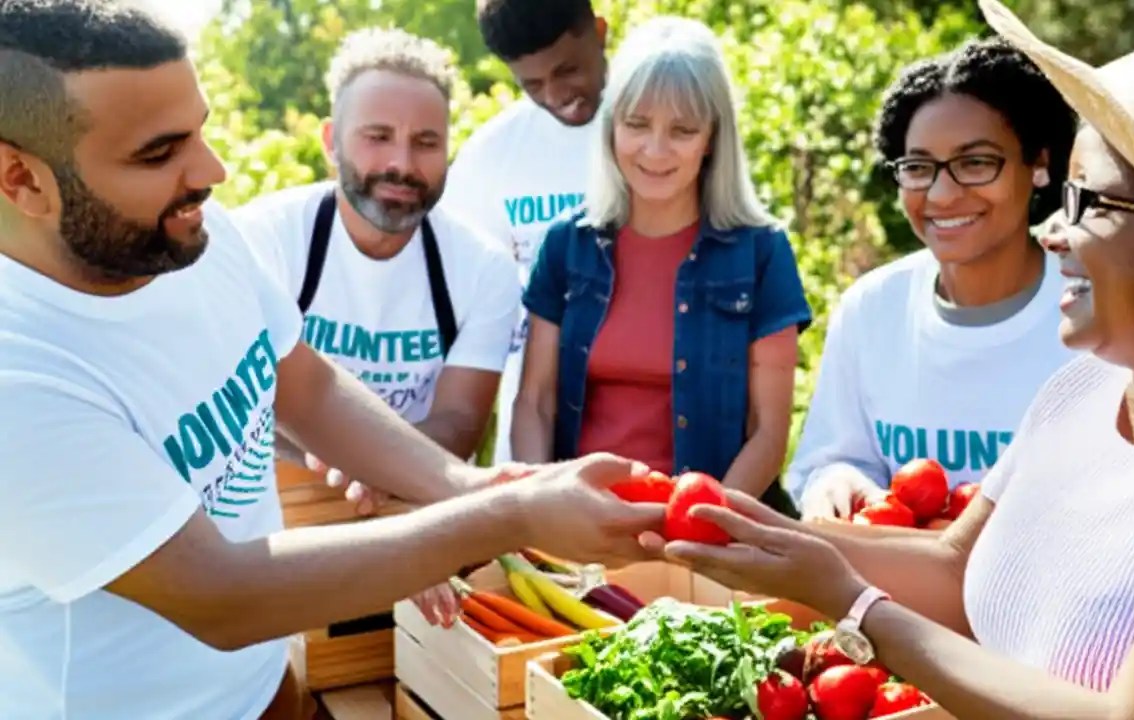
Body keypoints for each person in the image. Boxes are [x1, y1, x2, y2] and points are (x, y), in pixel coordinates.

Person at [0, 3, 662, 719]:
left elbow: (308, 388)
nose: (212, 171)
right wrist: (507, 515)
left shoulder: (198, 237)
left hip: (270, 687)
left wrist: (466, 485)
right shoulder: (20, 376)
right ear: (21, 179)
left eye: (200, 131)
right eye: (160, 153)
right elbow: (220, 596)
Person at [662, 3, 1134, 717]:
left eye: (1090, 203)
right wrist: (744, 527)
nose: (1055, 230)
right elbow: (959, 569)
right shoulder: (1079, 391)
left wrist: (856, 607)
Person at [512, 16, 813, 516]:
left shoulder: (762, 254)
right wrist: (543, 515)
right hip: (580, 525)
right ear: (611, 126)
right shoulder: (566, 245)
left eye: (682, 130)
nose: (654, 150)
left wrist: (700, 526)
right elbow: (535, 403)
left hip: (708, 529)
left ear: (712, 137)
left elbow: (768, 433)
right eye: (637, 124)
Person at [787, 36, 1079, 520]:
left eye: (976, 163)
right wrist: (836, 482)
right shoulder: (872, 309)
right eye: (919, 168)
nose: (941, 195)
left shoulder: (1092, 310)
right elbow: (829, 462)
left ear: (1041, 163)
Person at [233, 29, 521, 472]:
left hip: (411, 502)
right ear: (331, 141)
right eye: (378, 136)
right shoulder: (264, 238)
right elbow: (245, 408)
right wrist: (350, 472)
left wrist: (370, 475)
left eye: (426, 142)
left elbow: (460, 422)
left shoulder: (484, 267)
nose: (401, 165)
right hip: (283, 496)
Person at [440, 0, 610, 465]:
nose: (558, 95)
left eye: (568, 70)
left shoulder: (658, 128)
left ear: (600, 32)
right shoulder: (490, 158)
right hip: (538, 435)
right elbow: (457, 305)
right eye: (532, 84)